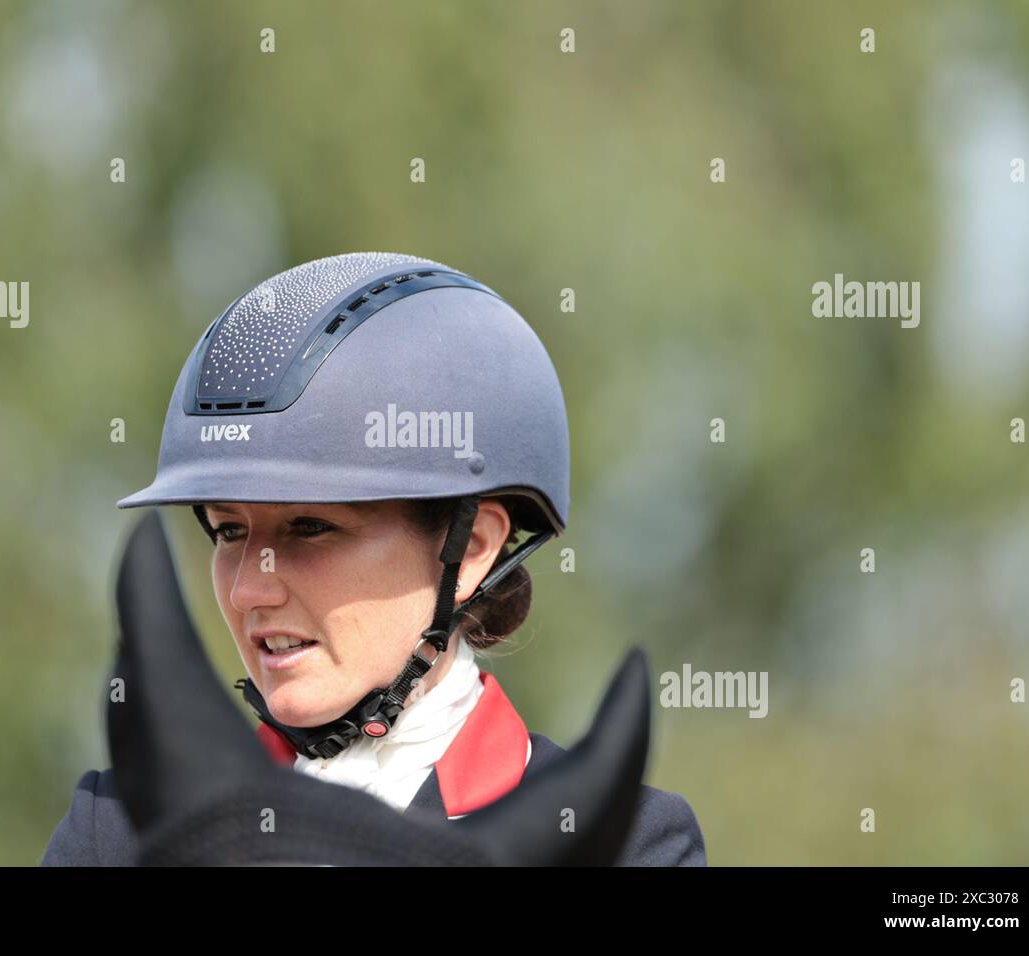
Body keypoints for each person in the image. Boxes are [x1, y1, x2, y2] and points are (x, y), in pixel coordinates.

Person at [41, 251, 706, 866]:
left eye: (310, 528)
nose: (248, 590)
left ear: (470, 549)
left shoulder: (625, 844)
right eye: (228, 532)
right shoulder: (117, 830)